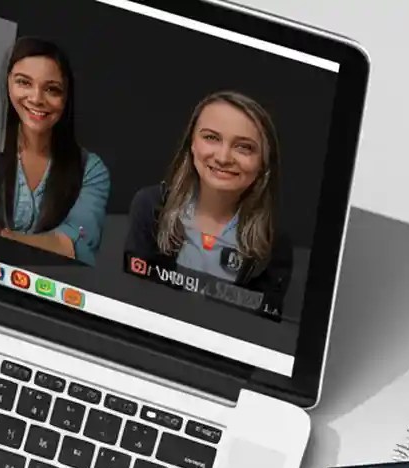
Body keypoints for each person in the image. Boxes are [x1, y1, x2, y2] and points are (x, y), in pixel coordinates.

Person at [125, 90, 292, 315]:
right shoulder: (150, 206)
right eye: (211, 138)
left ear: (263, 163)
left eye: (244, 147)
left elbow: (258, 330)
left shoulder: (274, 244)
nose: (223, 158)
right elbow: (130, 299)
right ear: (192, 144)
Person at [0, 38, 110, 266]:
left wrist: (5, 236)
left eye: (52, 89)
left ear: (66, 96)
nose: (37, 98)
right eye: (24, 83)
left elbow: (77, 246)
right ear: (7, 83)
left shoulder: (91, 169)